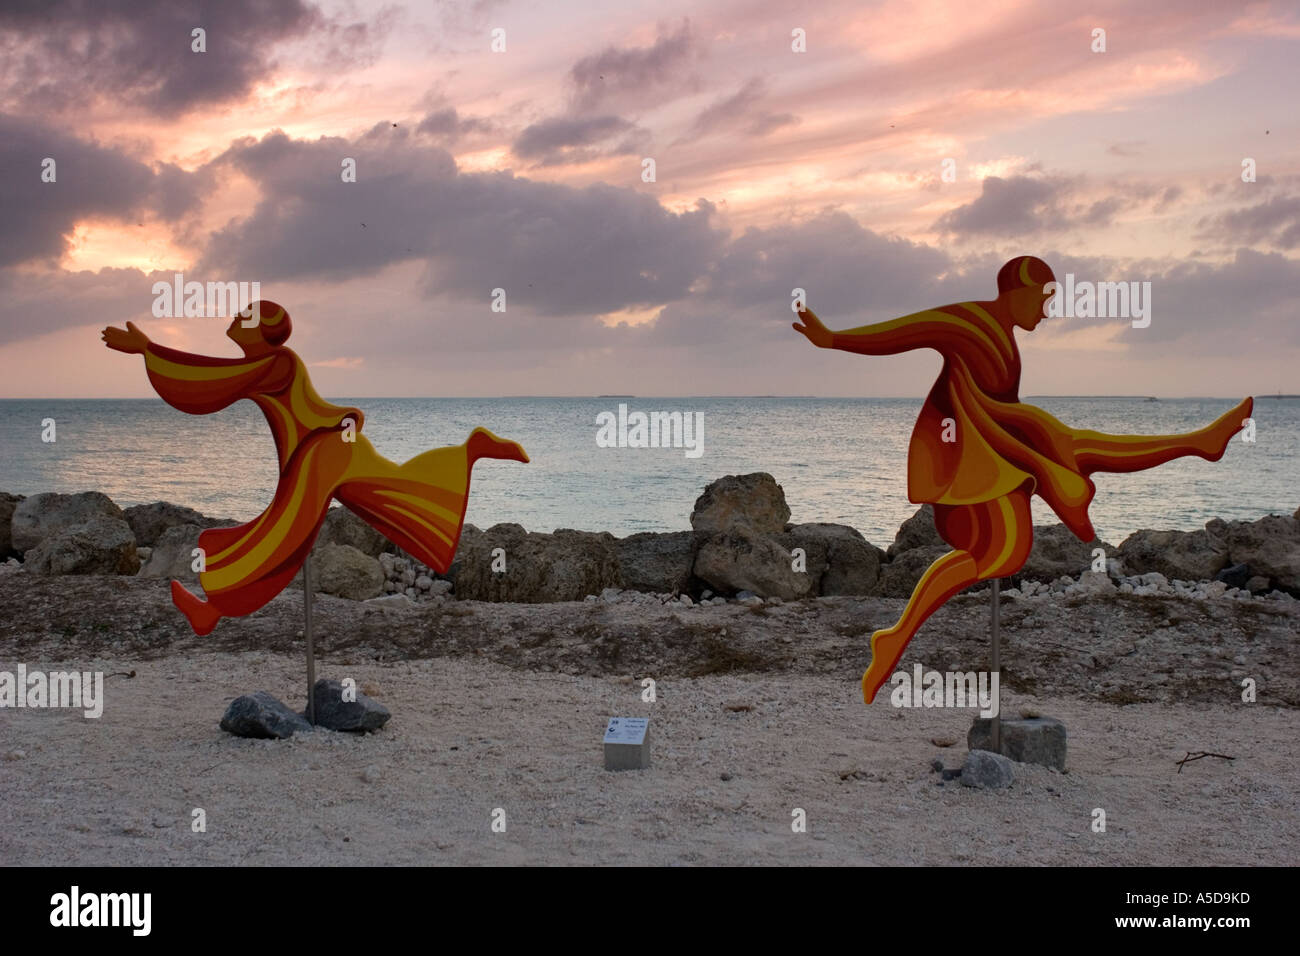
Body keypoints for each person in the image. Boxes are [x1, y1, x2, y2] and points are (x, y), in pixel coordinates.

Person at [792, 256, 1252, 703]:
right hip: (972, 458)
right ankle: (894, 637)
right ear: (1018, 290)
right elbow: (906, 332)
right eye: (1043, 297)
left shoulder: (1004, 336)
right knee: (1004, 545)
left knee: (1073, 458)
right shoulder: (969, 321)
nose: (1047, 309)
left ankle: (1199, 442)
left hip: (1005, 446)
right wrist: (831, 339)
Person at [103, 301, 528, 635]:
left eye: (246, 314)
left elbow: (212, 379)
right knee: (387, 495)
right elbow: (280, 395)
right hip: (326, 450)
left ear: (261, 328)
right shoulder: (283, 363)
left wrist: (148, 350)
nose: (236, 316)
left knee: (281, 535)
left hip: (318, 457)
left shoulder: (276, 363)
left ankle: (212, 609)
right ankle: (467, 453)